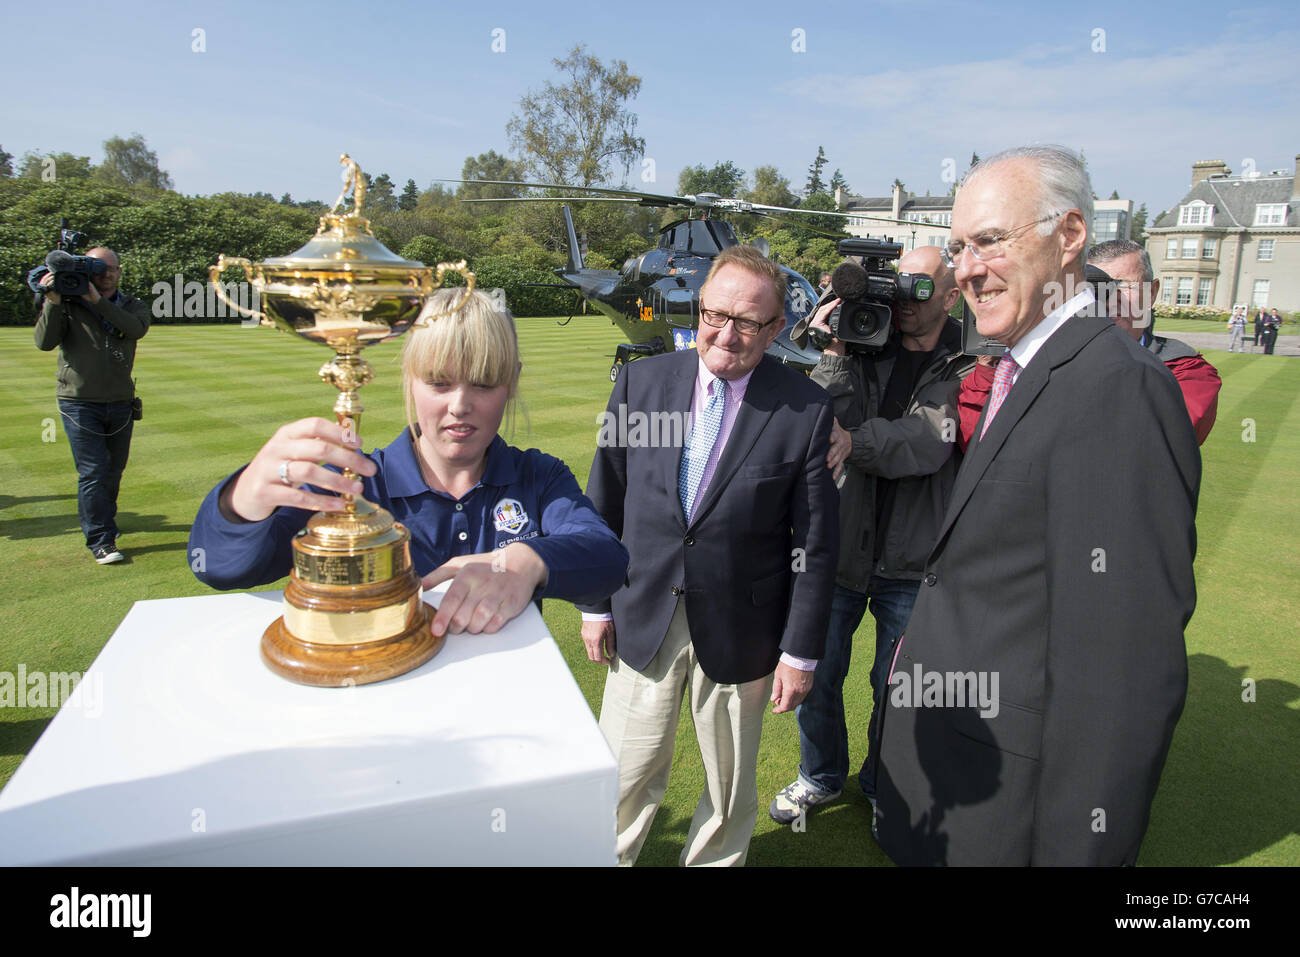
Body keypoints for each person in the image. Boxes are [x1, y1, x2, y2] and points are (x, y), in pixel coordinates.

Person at [874, 146, 1200, 866]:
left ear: (1071, 235)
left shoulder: (1119, 389)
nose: (965, 268)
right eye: (959, 247)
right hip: (951, 787)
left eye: (989, 240)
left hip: (1009, 820)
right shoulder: (1021, 367)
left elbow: (1122, 676)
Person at [577, 245, 838, 866]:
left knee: (727, 791)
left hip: (743, 628)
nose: (727, 333)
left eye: (749, 322)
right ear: (699, 309)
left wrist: (799, 653)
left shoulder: (805, 408)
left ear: (776, 329)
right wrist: (593, 604)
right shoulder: (643, 381)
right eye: (715, 314)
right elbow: (602, 495)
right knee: (624, 775)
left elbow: (815, 543)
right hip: (644, 611)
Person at [189, 289, 629, 637]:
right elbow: (219, 567)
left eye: (483, 383)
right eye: (439, 383)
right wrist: (241, 502)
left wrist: (523, 559)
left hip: (500, 708)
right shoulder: (355, 485)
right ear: (410, 380)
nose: (460, 405)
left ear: (511, 383)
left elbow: (607, 561)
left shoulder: (538, 477)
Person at [768, 246, 974, 826]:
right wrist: (835, 346)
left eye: (922, 288)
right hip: (839, 546)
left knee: (896, 686)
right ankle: (820, 775)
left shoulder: (968, 358)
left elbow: (929, 440)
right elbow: (821, 416)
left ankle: (883, 784)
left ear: (952, 296)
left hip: (914, 559)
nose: (905, 300)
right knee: (817, 672)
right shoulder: (864, 341)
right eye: (899, 284)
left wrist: (854, 444)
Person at [956, 239, 1222, 446]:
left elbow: (1152, 439)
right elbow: (976, 442)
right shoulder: (1040, 359)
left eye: (1123, 285)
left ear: (1152, 292)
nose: (1110, 299)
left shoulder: (1183, 368)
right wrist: (993, 366)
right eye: (1096, 287)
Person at [34, 247, 151, 564]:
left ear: (119, 271)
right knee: (94, 472)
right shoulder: (67, 302)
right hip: (79, 401)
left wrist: (96, 302)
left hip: (121, 400)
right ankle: (101, 540)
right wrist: (53, 302)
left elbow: (136, 328)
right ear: (86, 270)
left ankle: (104, 524)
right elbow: (44, 342)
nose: (106, 274)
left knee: (113, 472)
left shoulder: (132, 305)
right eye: (98, 268)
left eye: (111, 268)